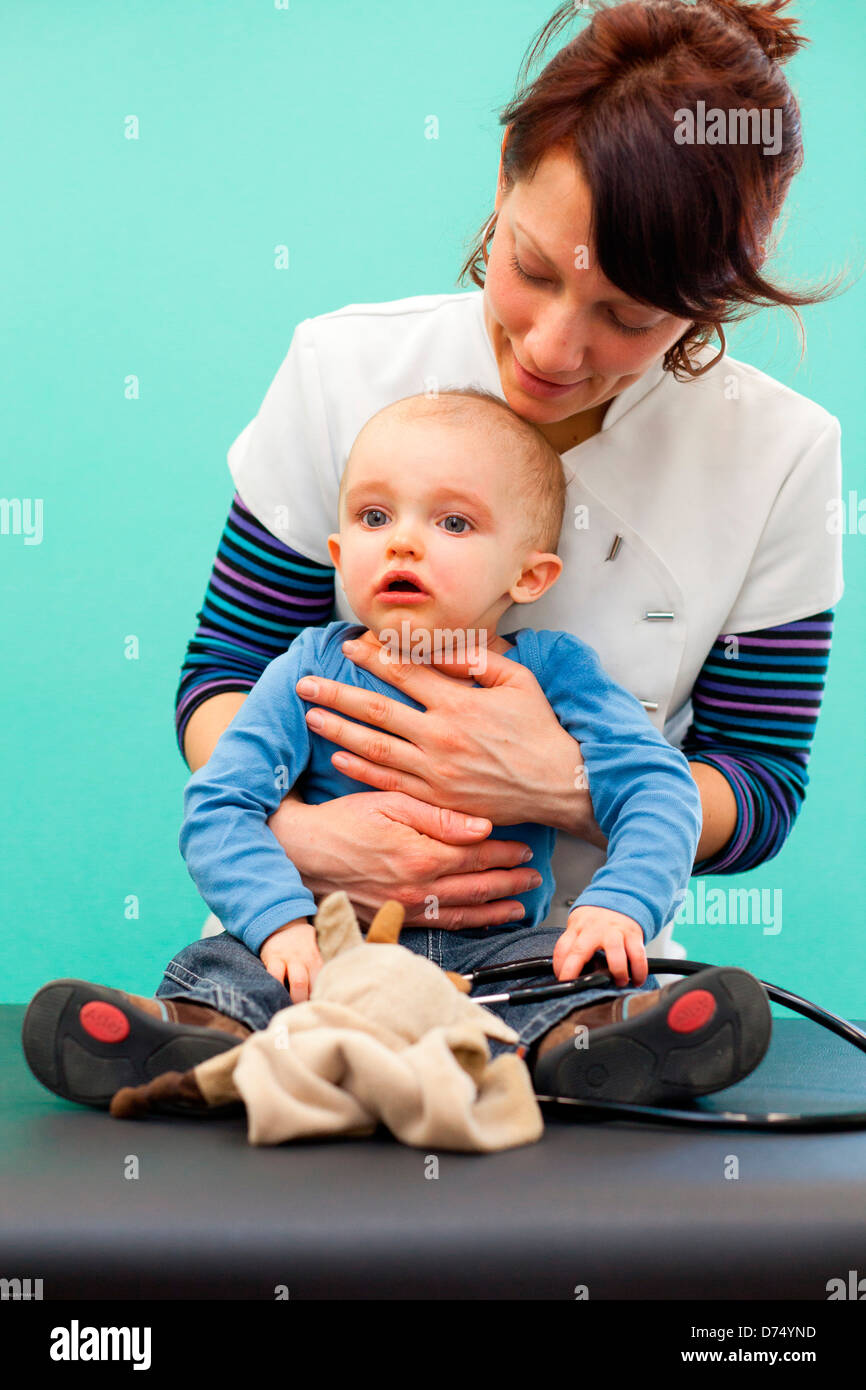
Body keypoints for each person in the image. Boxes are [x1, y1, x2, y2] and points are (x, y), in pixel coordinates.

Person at [22, 0, 842, 1108]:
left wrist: (559, 784)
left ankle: (590, 1045)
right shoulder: (339, 369)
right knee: (240, 986)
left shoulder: (781, 456)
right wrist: (307, 840)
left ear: (707, 304)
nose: (554, 347)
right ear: (503, 176)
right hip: (306, 935)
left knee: (567, 1009)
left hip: (546, 953)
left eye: (628, 315)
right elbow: (220, 683)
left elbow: (760, 785)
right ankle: (204, 1037)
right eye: (531, 269)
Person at [22, 388, 772, 1112]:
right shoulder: (307, 668)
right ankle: (196, 1039)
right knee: (230, 971)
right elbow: (220, 801)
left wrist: (620, 907)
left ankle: (593, 1046)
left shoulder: (556, 672)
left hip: (497, 955)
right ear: (342, 554)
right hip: (321, 943)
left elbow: (658, 789)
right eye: (376, 516)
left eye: (453, 523)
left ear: (531, 574)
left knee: (567, 976)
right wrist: (279, 920)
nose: (404, 540)